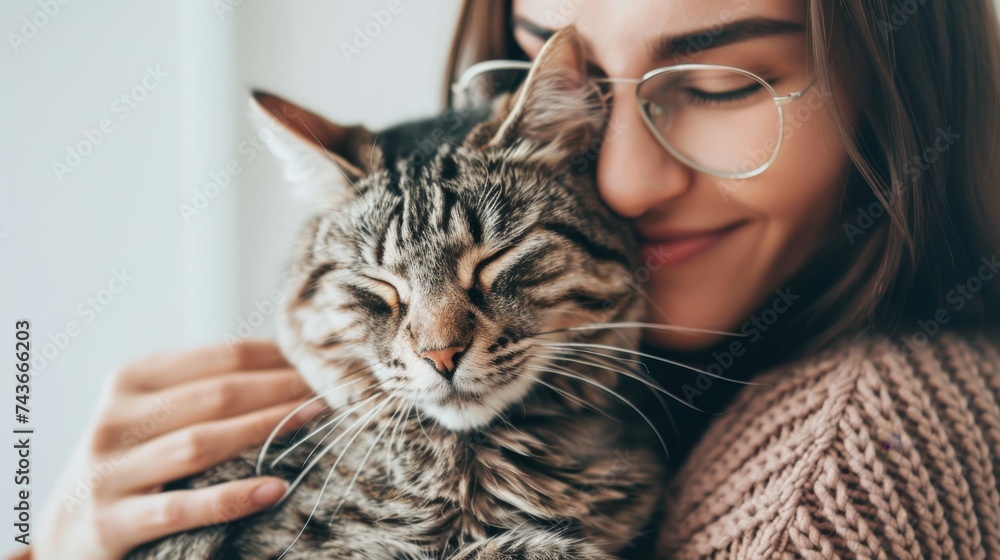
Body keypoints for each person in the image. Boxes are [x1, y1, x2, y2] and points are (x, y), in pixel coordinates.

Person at [25, 0, 1000, 558]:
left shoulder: (864, 437)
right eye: (551, 69)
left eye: (717, 85)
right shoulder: (677, 390)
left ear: (907, 83)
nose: (611, 177)